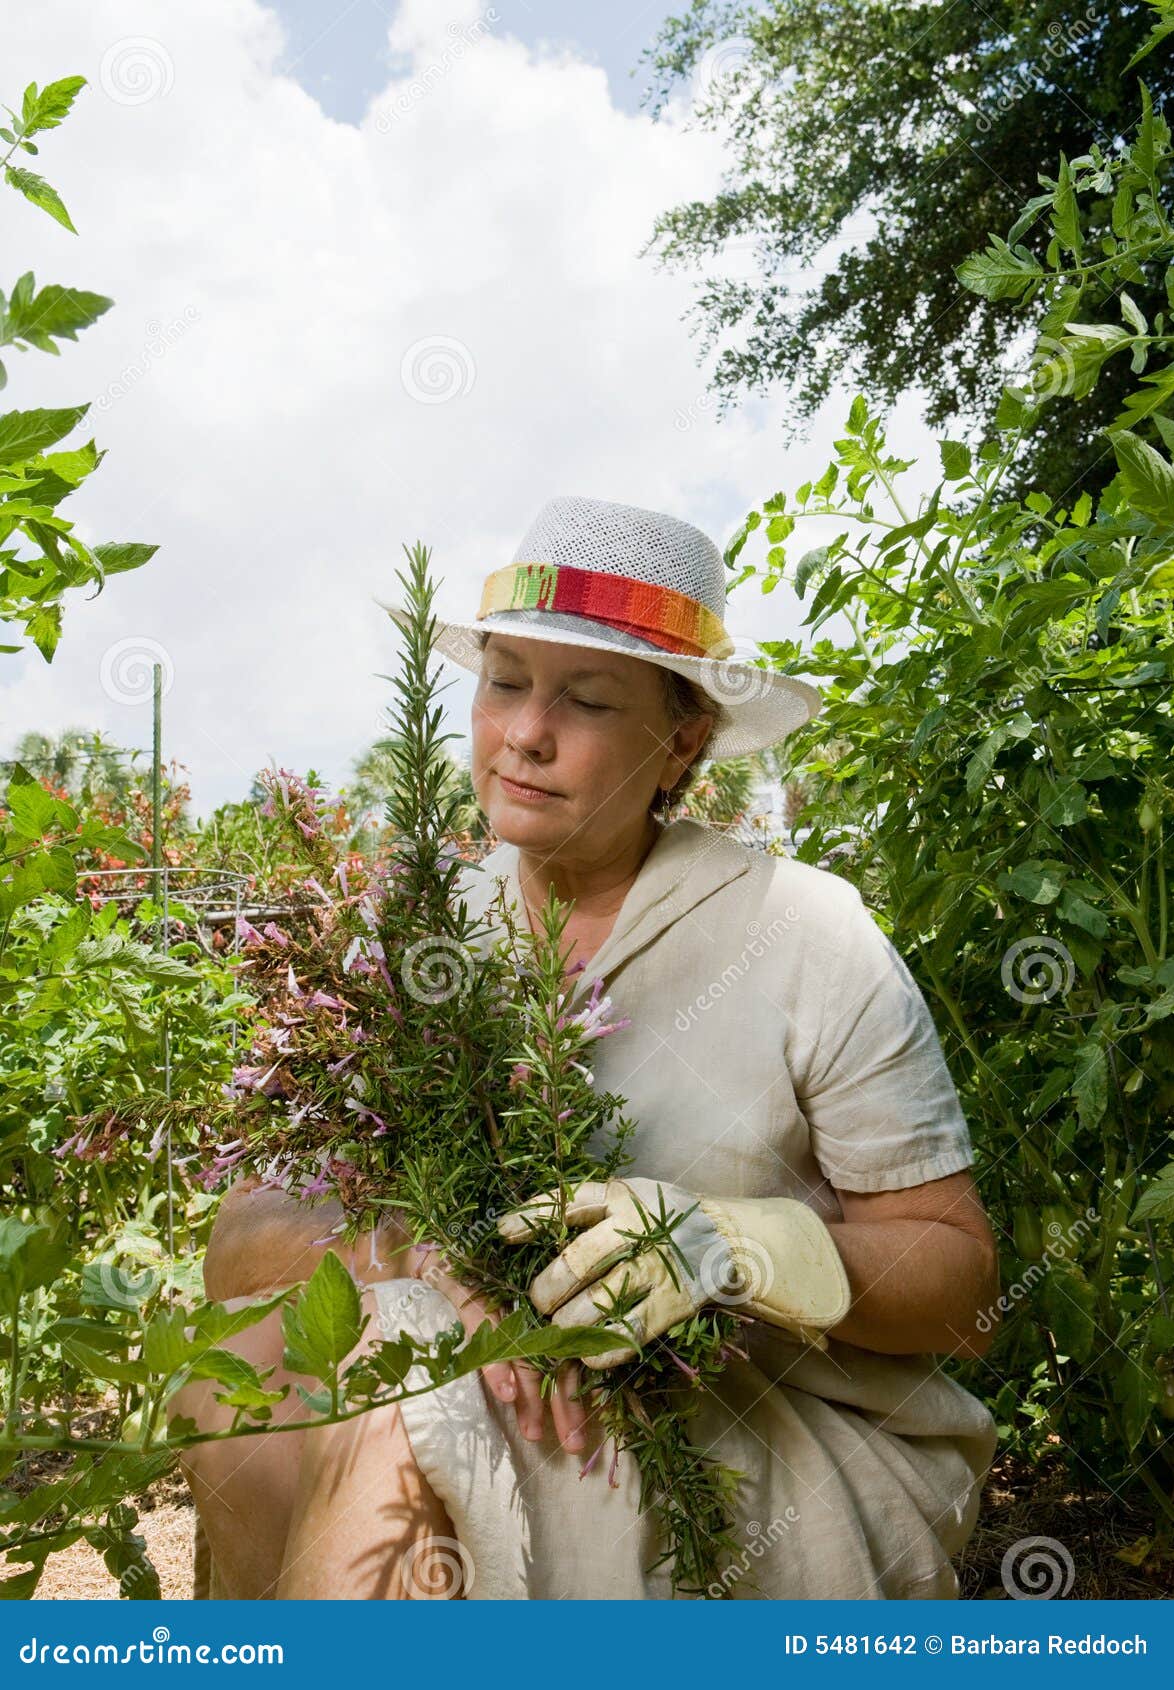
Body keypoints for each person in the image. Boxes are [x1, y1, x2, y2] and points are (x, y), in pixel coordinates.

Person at [177, 493, 1000, 1601]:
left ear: (683, 740)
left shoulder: (807, 933)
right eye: (506, 681)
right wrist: (425, 1254)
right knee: (249, 1362)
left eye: (588, 698)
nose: (524, 731)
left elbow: (960, 1285)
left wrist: (736, 1247)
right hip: (489, 1388)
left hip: (748, 1439)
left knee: (396, 1391)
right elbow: (245, 1235)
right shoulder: (419, 931)